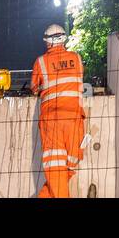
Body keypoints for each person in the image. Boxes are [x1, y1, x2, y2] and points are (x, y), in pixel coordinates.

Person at [30, 23, 86, 199]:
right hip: (74, 119)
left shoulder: (41, 62)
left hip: (52, 120)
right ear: (64, 39)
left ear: (47, 42)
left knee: (55, 169)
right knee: (69, 166)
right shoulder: (76, 58)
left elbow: (34, 88)